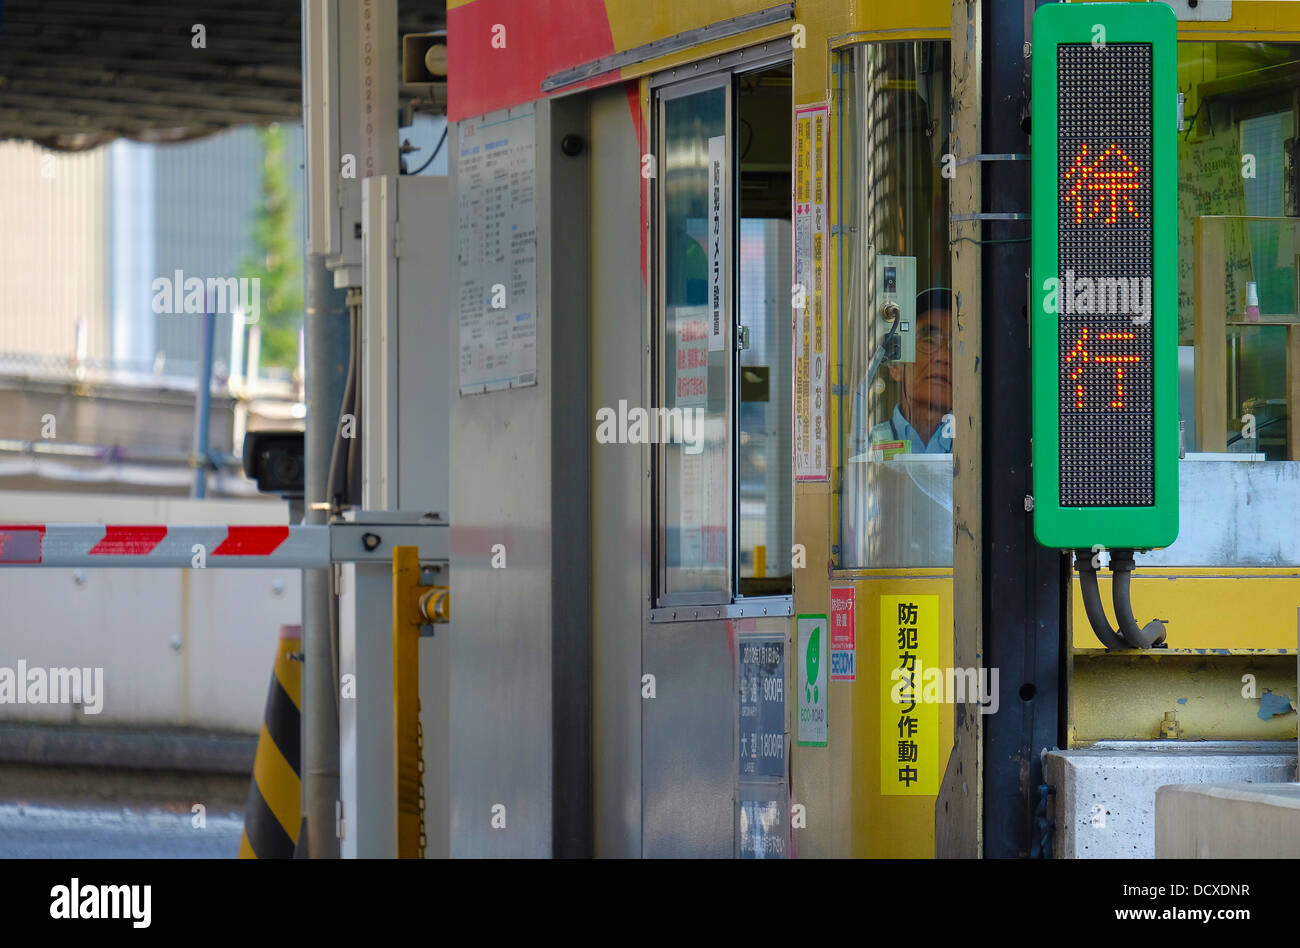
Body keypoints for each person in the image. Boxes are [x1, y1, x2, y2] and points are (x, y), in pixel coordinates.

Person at [851, 287, 953, 457]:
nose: (944, 356)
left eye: (955, 346)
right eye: (928, 340)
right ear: (896, 367)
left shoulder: (975, 447)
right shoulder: (868, 445)